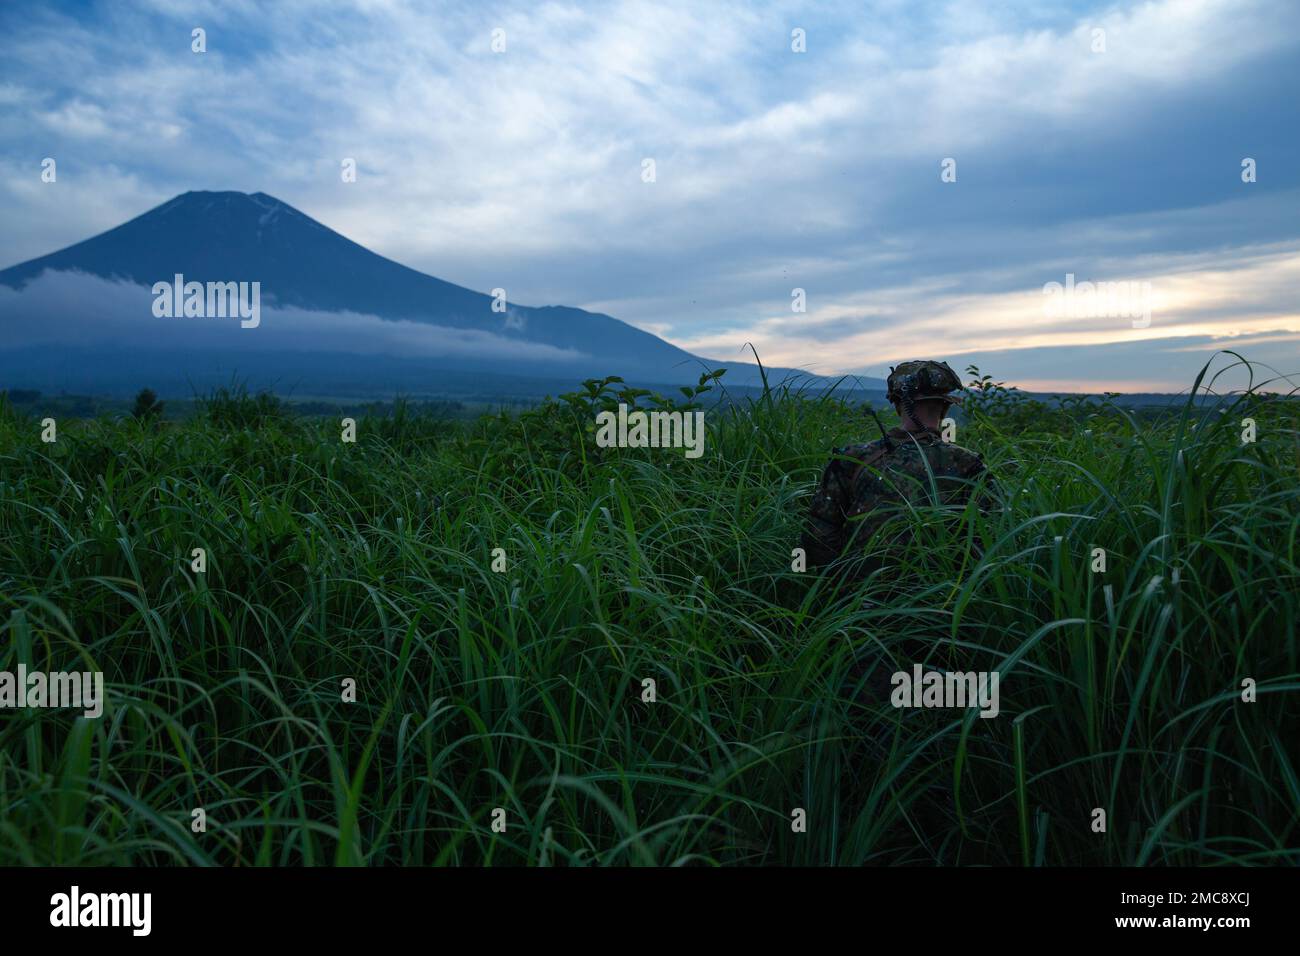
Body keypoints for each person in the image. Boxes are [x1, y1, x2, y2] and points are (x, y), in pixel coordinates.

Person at [802, 360, 998, 576]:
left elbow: (818, 535)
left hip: (858, 600)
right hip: (941, 602)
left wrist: (836, 591)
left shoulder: (852, 459)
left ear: (897, 405)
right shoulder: (969, 465)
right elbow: (989, 543)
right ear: (946, 406)